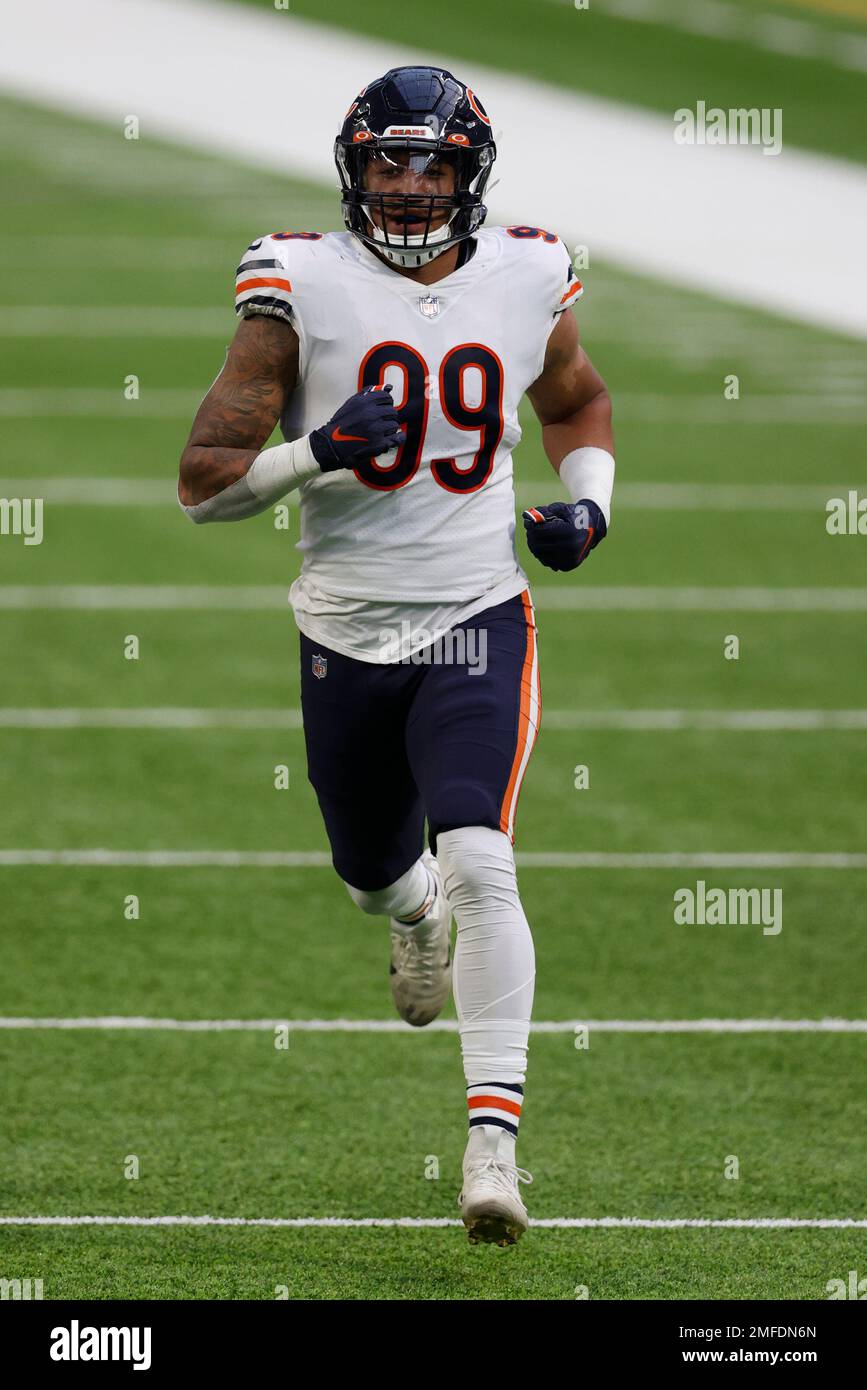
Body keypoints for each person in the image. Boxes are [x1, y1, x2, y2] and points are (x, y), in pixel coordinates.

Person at [178, 65, 614, 1246]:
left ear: (470, 175)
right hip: (345, 630)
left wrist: (592, 504)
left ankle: (493, 1148)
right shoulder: (296, 282)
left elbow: (574, 395)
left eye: (431, 164)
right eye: (388, 160)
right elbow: (201, 488)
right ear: (352, 165)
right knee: (376, 867)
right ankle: (404, 906)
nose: (409, 186)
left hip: (480, 612)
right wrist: (313, 449)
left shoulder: (529, 268)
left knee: (484, 853)